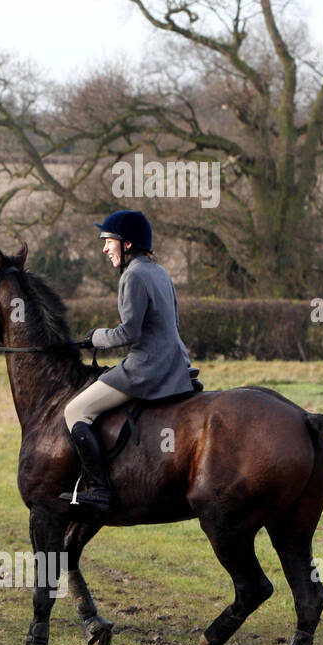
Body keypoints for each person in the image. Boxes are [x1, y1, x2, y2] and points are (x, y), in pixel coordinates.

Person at [60, 210, 194, 512]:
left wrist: (95, 337)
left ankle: (99, 489)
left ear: (128, 243)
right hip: (175, 364)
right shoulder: (159, 271)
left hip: (145, 368)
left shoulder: (132, 276)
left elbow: (128, 334)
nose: (105, 249)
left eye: (109, 241)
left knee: (75, 410)